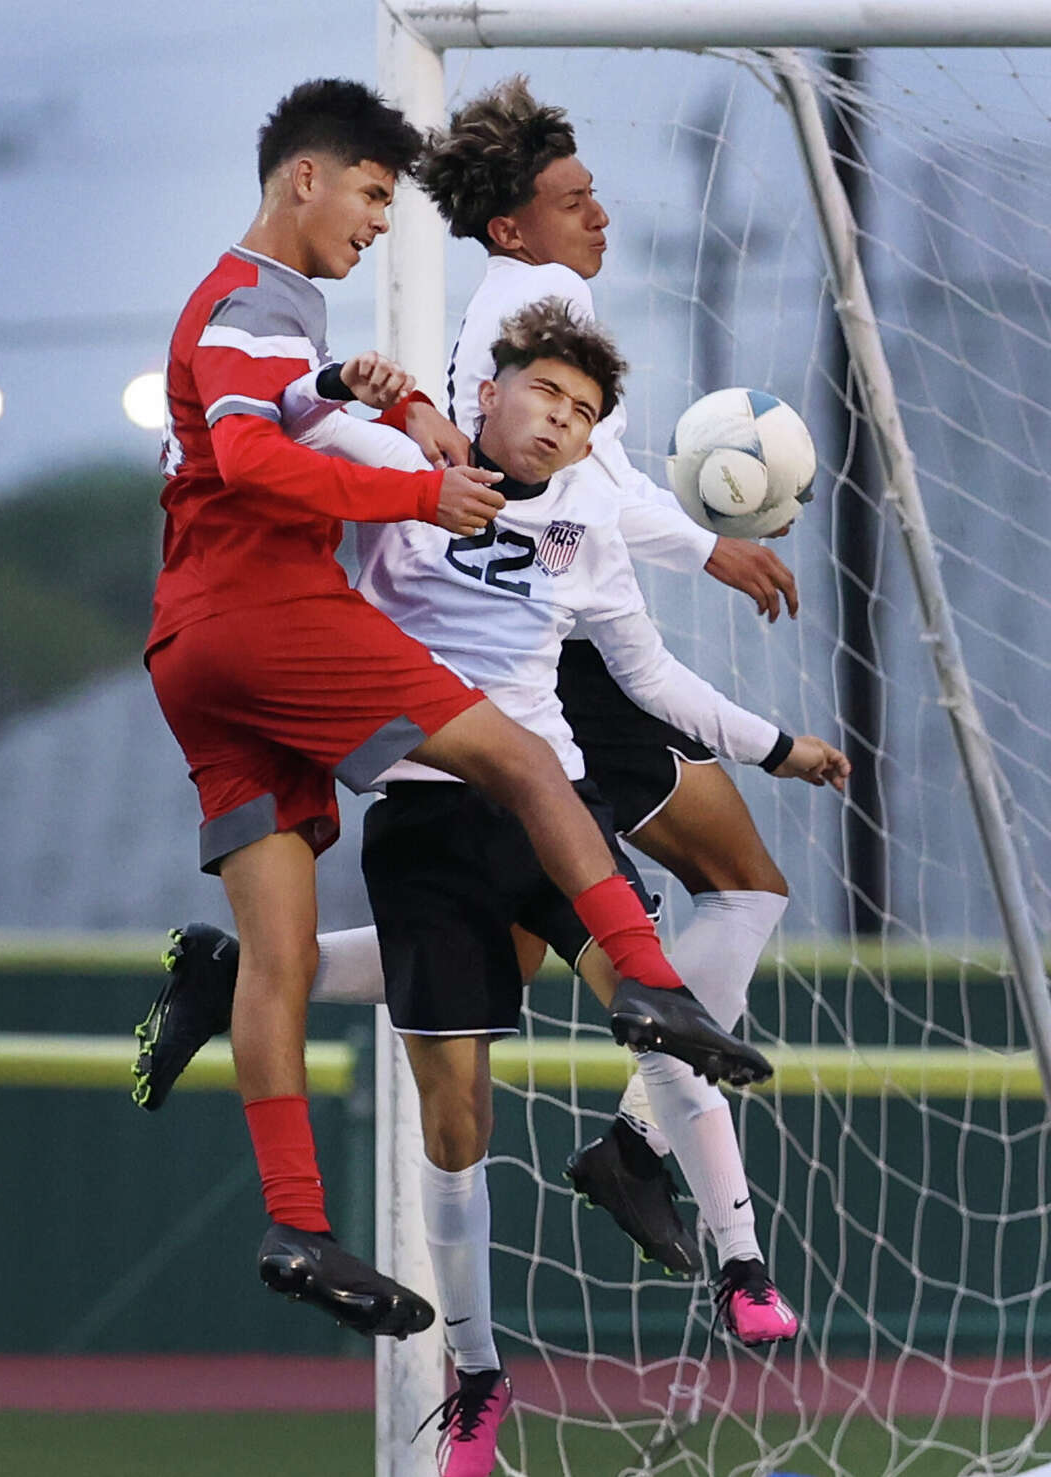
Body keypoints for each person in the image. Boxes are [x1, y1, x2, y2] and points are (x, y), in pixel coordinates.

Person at [141, 76, 768, 1347]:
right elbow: (255, 459)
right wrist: (415, 495)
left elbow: (257, 415)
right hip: (263, 617)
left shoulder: (261, 319)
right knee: (533, 767)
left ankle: (298, 1221)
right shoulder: (255, 293)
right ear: (302, 178)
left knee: (278, 953)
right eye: (372, 196)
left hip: (189, 649)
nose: (379, 225)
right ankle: (653, 992)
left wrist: (364, 389)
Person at [290, 300, 845, 1468]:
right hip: (425, 826)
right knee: (456, 1122)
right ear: (482, 395)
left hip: (555, 816)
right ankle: (481, 1377)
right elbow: (288, 415)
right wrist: (347, 375)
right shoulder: (402, 463)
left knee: (662, 1011)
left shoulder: (587, 531)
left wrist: (776, 744)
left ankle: (741, 1261)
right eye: (545, 393)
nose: (562, 421)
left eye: (586, 412)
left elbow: (651, 679)